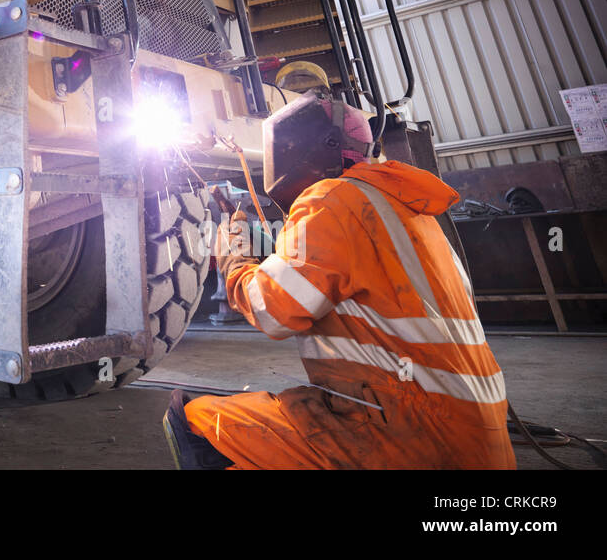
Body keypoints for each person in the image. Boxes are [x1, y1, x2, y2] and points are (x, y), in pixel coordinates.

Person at [163, 91, 516, 470]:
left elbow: (272, 311)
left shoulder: (329, 200)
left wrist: (233, 254)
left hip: (411, 436)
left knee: (194, 419)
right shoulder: (398, 207)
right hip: (476, 441)